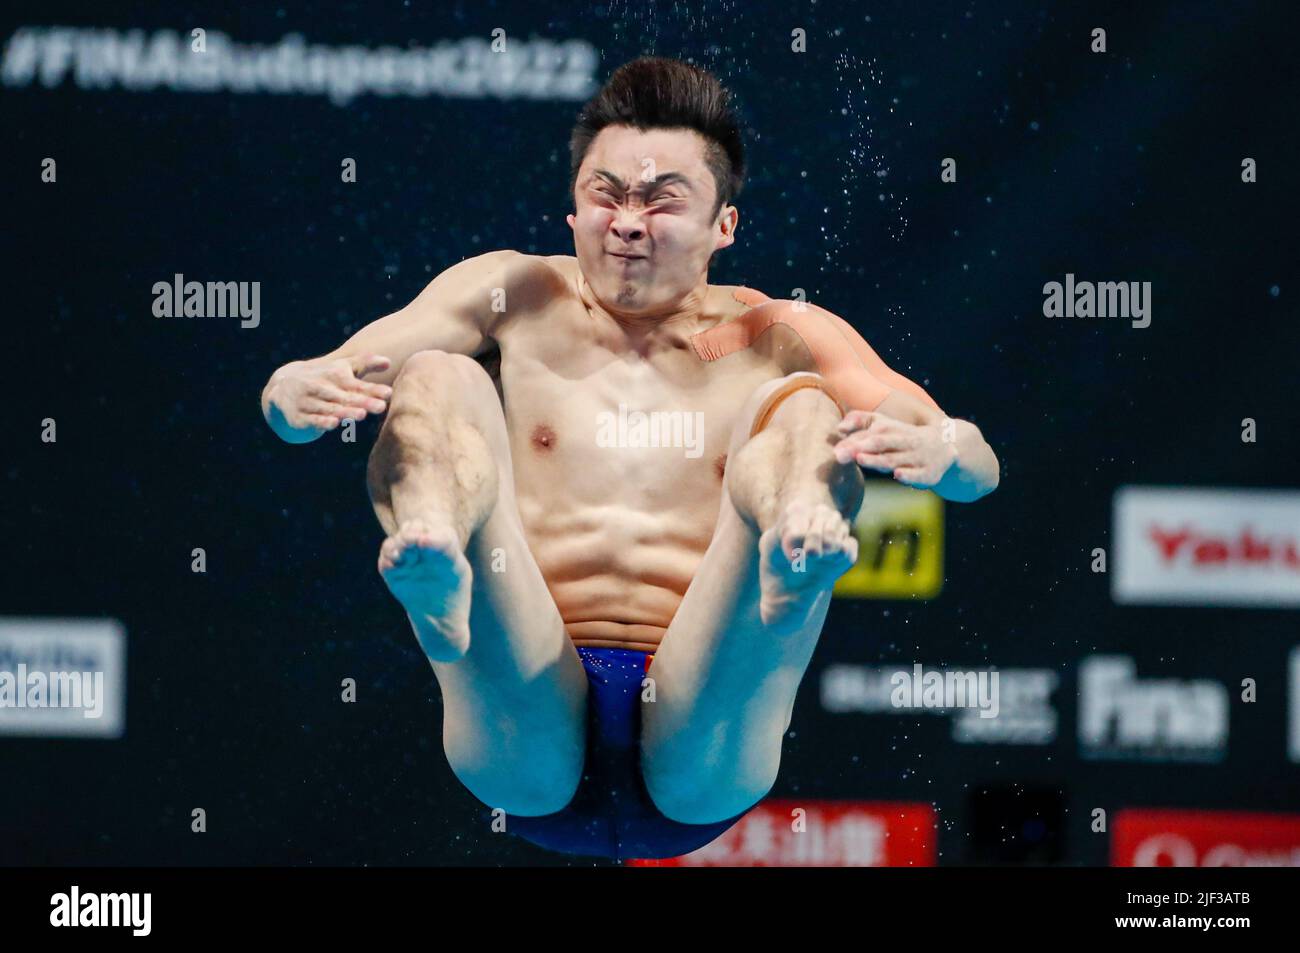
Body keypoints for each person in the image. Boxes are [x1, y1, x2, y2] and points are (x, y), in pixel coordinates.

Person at [260, 56, 1000, 860]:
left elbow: (975, 465)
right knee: (437, 375)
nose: (628, 220)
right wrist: (286, 388)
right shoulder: (512, 295)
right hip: (525, 700)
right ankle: (437, 555)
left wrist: (947, 446)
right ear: (573, 207)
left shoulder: (778, 333)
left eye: (661, 200)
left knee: (800, 405)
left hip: (702, 726)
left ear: (726, 225)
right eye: (605, 194)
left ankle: (793, 548)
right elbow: (325, 388)